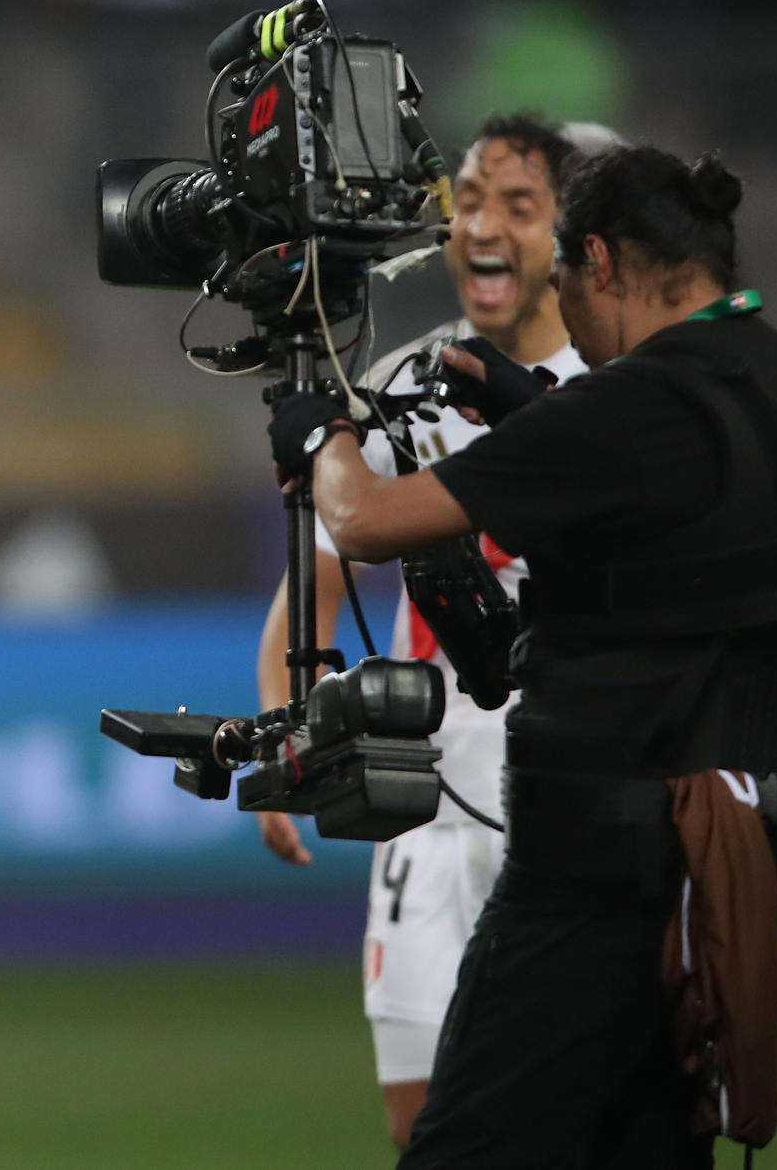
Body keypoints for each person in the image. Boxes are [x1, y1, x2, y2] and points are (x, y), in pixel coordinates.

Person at [269, 145, 777, 1167]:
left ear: (597, 259)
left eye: (565, 285)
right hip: (739, 858)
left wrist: (319, 427)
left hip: (594, 870)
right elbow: (686, 527)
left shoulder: (626, 407)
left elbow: (363, 521)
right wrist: (543, 419)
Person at [252, 114, 601, 1150]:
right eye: (469, 200)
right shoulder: (400, 384)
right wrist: (284, 727)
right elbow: (311, 588)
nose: (482, 225)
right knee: (428, 1136)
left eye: (519, 206)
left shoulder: (614, 390)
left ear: (569, 237)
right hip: (427, 818)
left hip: (566, 807)